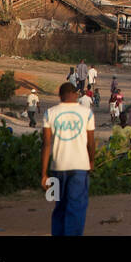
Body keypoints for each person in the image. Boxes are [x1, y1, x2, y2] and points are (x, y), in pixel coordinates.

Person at [40, 82, 95, 236]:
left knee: (60, 207)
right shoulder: (87, 113)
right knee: (76, 207)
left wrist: (44, 174)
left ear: (60, 95)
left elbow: (46, 144)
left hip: (57, 168)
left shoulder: (50, 113)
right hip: (80, 168)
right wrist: (91, 161)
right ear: (76, 94)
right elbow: (91, 143)